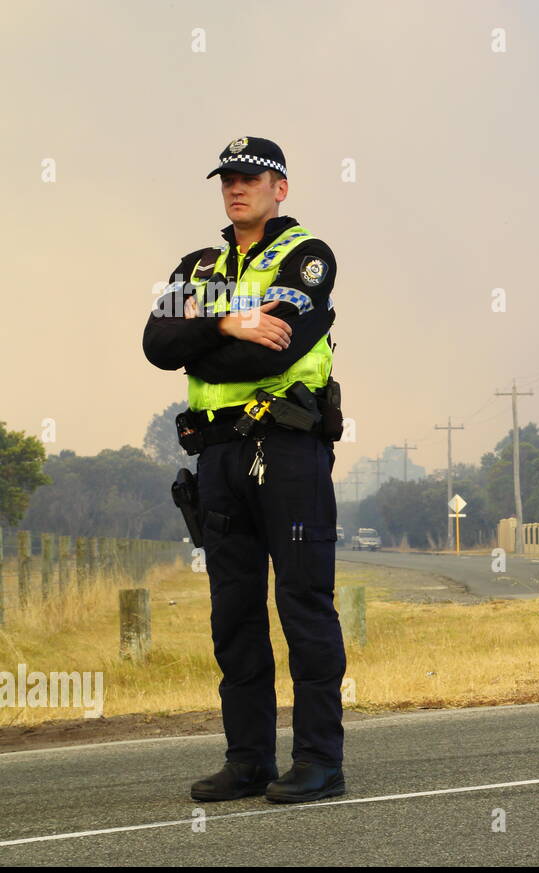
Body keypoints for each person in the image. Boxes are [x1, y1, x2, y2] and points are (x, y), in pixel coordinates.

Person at [142, 136, 347, 804]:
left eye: (252, 178)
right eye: (228, 179)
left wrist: (198, 344)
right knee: (233, 614)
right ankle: (248, 761)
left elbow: (268, 356)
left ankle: (319, 761)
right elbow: (155, 344)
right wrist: (230, 323)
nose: (237, 188)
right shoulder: (198, 264)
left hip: (287, 449)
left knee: (303, 606)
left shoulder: (306, 257)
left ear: (279, 188)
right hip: (218, 458)